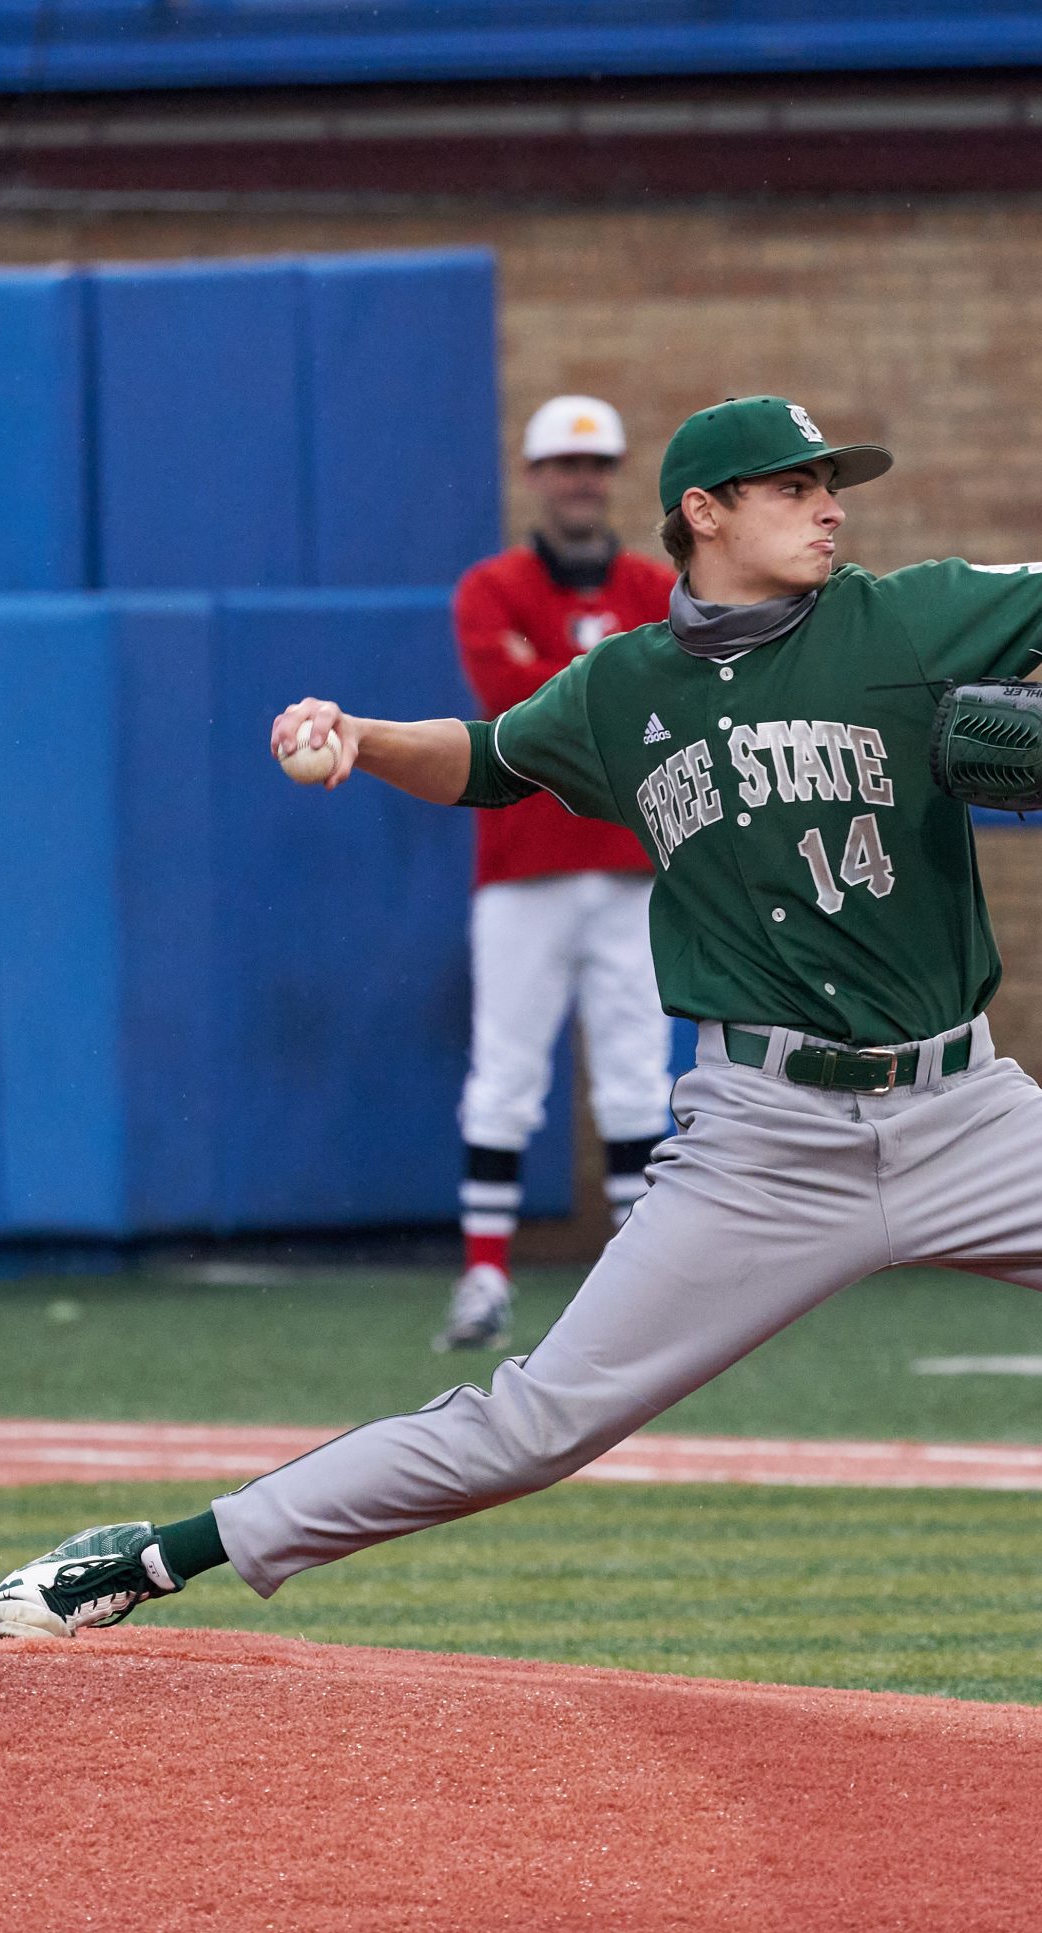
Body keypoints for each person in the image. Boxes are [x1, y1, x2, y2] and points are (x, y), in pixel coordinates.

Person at [0, 396, 1042, 1759]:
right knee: (534, 1420)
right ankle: (158, 1549)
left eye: (836, 486)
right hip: (763, 1139)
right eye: (800, 486)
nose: (830, 508)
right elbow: (485, 760)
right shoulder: (625, 687)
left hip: (971, 1110)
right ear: (706, 511)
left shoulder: (900, 621)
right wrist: (359, 736)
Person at [440, 395, 677, 1352]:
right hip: (523, 864)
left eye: (597, 466)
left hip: (631, 860)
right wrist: (605, 694)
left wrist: (564, 682)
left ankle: (635, 1274)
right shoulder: (491, 587)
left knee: (636, 1075)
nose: (582, 482)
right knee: (504, 1070)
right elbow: (506, 702)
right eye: (565, 466)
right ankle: (485, 1280)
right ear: (536, 477)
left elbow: (669, 696)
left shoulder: (658, 586)